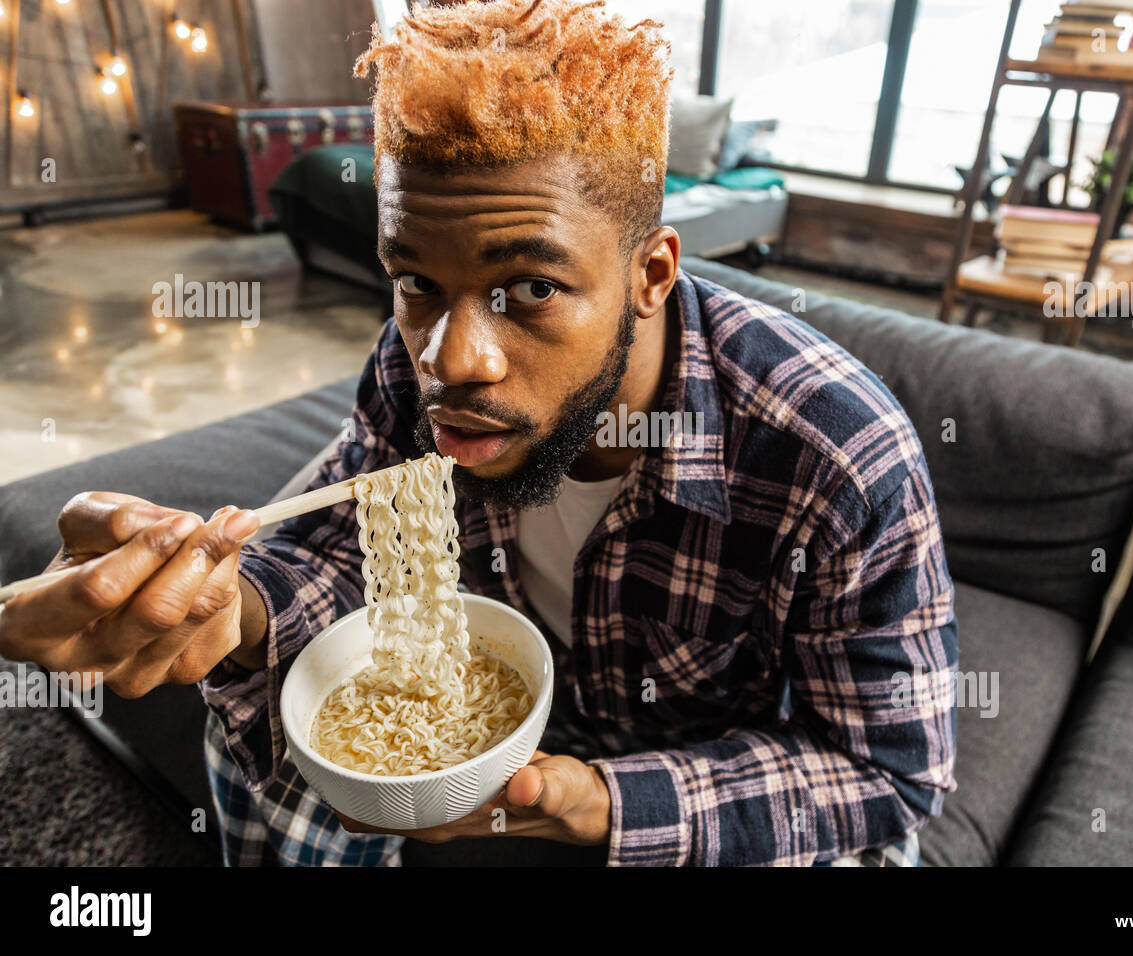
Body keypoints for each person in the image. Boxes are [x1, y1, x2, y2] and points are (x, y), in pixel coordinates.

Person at [0, 0, 956, 867]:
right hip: (498, 695)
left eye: (531, 288)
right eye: (416, 280)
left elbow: (891, 774)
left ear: (652, 275)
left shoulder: (836, 455)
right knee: (278, 736)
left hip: (702, 756)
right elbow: (343, 552)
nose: (451, 361)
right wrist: (236, 615)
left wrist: (594, 804)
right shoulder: (408, 361)